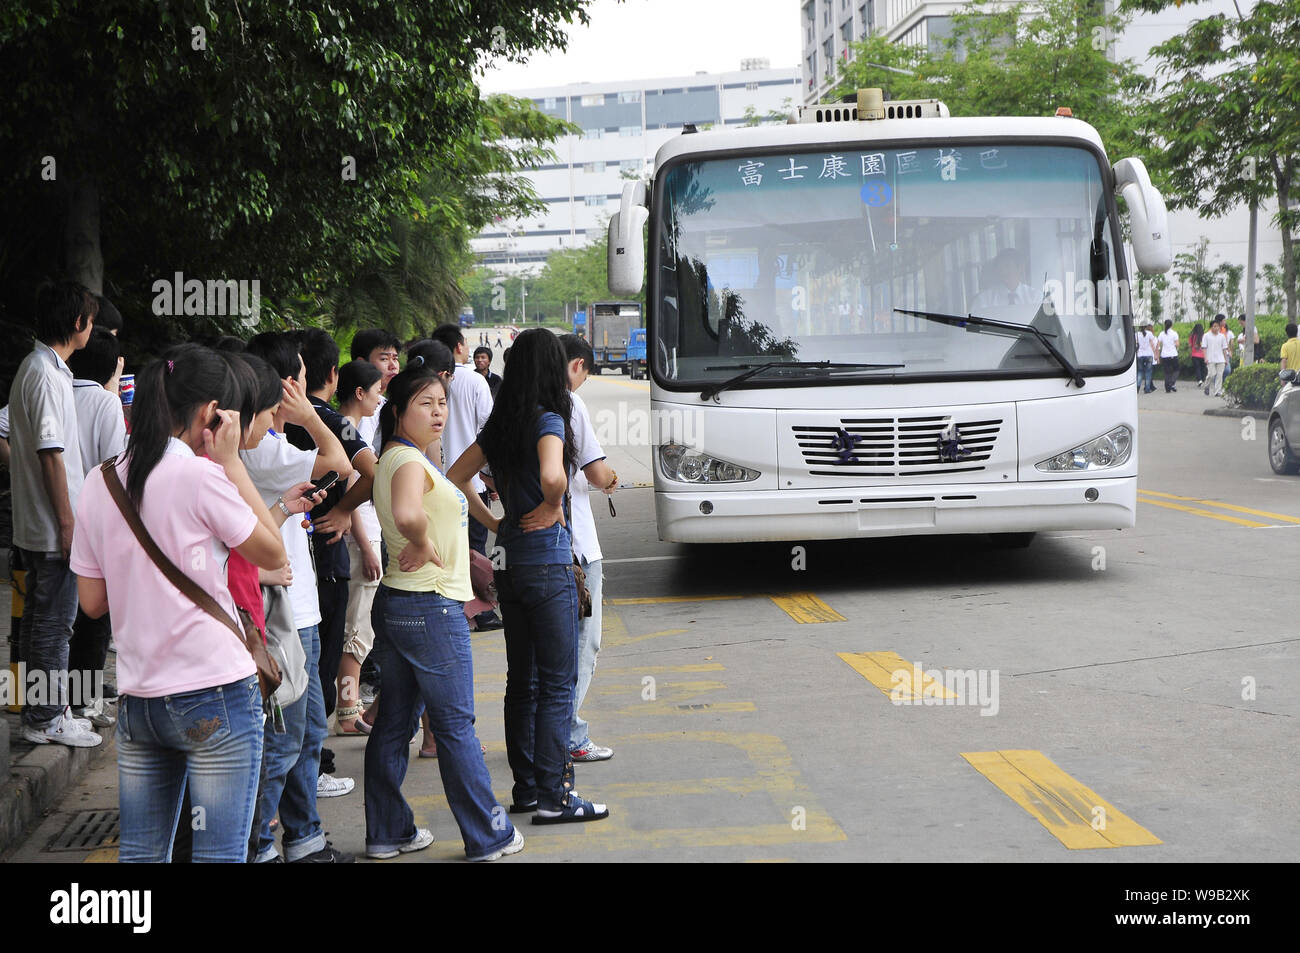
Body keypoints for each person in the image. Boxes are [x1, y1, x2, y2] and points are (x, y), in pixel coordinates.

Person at [70, 344, 297, 861]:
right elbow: (271, 550)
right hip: (214, 691)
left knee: (143, 854)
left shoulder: (100, 480)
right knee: (219, 853)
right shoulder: (201, 477)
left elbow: (92, 602)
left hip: (140, 699)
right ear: (209, 413)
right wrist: (232, 462)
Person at [447, 328, 610, 825]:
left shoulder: (500, 426)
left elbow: (456, 476)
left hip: (512, 563)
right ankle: (556, 796)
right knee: (559, 682)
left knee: (523, 681)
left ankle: (525, 790)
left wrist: (496, 521)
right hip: (548, 564)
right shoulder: (548, 417)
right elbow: (555, 475)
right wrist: (553, 504)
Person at [365, 365, 523, 861]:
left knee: (393, 724)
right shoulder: (409, 463)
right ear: (397, 412)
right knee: (456, 727)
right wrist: (423, 540)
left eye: (441, 403)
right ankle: (489, 834)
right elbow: (411, 513)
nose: (437, 412)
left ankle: (388, 832)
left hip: (397, 602)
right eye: (424, 404)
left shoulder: (395, 457)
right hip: (430, 606)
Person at [241, 332, 356, 862]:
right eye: (302, 380)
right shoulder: (264, 449)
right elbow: (342, 466)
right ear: (289, 385)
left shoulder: (266, 447)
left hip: (297, 607)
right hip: (285, 614)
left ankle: (302, 836)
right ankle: (259, 843)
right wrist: (310, 416)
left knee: (305, 734)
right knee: (285, 740)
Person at [11, 281, 98, 747]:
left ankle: (45, 711)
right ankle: (45, 717)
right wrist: (69, 524)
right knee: (53, 624)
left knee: (42, 621)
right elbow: (50, 453)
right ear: (78, 323)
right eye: (89, 317)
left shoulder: (45, 368)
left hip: (43, 523)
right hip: (51, 527)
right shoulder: (45, 373)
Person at [558, 335, 620, 763]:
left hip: (533, 547)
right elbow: (597, 473)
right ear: (577, 365)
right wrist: (612, 478)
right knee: (584, 642)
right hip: (576, 547)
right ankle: (568, 735)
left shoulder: (516, 406)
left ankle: (539, 733)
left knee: (544, 650)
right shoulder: (568, 405)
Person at [65, 328, 127, 728]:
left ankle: (55, 701)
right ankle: (84, 702)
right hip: (96, 524)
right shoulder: (106, 402)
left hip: (55, 516)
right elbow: (116, 466)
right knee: (93, 615)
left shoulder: (56, 389)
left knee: (56, 618)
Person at [431, 323, 502, 631]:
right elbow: (490, 428)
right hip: (470, 482)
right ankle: (481, 611)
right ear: (460, 346)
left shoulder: (424, 385)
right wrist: (491, 477)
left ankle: (455, 608)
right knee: (474, 549)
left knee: (447, 550)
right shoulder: (475, 380)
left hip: (435, 483)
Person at [326, 359, 384, 735]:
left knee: (357, 626)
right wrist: (365, 545)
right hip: (359, 539)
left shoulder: (353, 427)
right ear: (360, 393)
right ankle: (348, 711)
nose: (381, 398)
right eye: (377, 390)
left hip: (362, 536)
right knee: (356, 629)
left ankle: (350, 705)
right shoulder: (345, 430)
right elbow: (351, 492)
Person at [1202, 318, 1230, 397]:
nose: (1216, 328)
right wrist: (1205, 358)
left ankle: (1217, 391)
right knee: (1212, 374)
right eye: (1214, 326)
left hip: (1220, 359)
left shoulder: (1222, 336)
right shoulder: (1206, 336)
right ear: (1211, 327)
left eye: (1217, 326)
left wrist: (1225, 359)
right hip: (1210, 359)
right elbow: (1204, 347)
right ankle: (1206, 385)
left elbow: (1224, 348)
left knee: (1219, 375)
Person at [1156, 319, 1179, 393]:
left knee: (1167, 372)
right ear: (1171, 325)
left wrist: (1157, 356)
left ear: (1164, 325)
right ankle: (1172, 383)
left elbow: (1158, 346)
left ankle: (1167, 388)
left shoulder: (1161, 334)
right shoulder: (1174, 333)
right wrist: (1174, 345)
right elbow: (1177, 344)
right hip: (1173, 354)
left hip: (1164, 355)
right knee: (1176, 370)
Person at [1135, 321, 1157, 394]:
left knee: (1140, 372)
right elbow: (1152, 344)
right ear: (1146, 326)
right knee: (1148, 373)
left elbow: (1135, 345)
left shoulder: (1137, 334)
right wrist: (1155, 354)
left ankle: (1137, 388)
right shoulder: (1149, 333)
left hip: (1140, 355)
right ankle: (1147, 389)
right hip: (1149, 355)